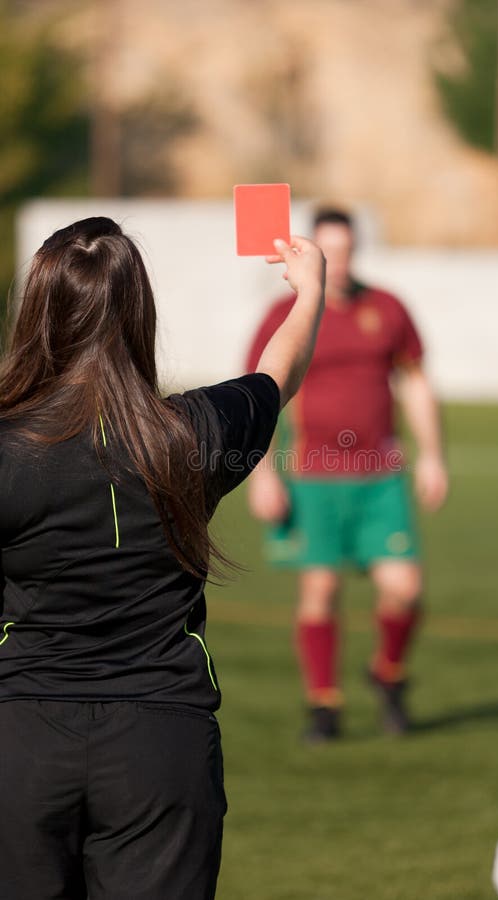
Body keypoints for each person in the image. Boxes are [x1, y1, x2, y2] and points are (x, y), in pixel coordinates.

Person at [0, 216, 325, 900]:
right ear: (138, 314)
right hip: (161, 749)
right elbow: (278, 374)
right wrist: (310, 291)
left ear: (37, 315)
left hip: (21, 745)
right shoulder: (196, 432)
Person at [245, 207, 448, 742]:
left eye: (347, 250)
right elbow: (258, 398)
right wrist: (263, 474)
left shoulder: (387, 308)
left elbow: (417, 383)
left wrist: (432, 455)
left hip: (380, 476)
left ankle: (388, 673)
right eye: (328, 251)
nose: (339, 262)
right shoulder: (285, 315)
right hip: (312, 476)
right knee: (321, 588)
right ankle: (324, 704)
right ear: (313, 252)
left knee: (404, 587)